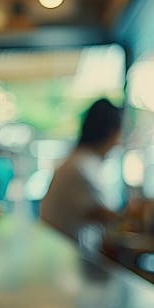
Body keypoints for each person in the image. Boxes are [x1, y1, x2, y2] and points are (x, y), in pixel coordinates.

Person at [40, 99, 122, 245]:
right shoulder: (81, 167)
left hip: (59, 251)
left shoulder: (80, 161)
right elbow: (103, 216)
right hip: (67, 258)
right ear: (111, 132)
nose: (118, 142)